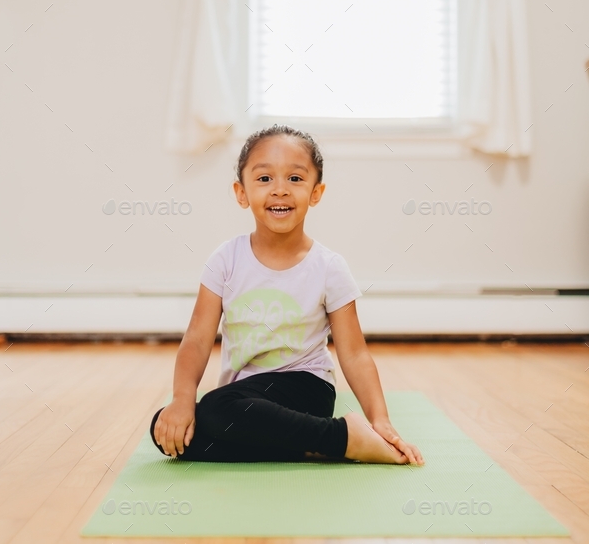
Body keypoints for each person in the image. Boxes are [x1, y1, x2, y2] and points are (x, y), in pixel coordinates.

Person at [151, 124, 425, 466]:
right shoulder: (225, 259)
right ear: (241, 192)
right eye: (264, 179)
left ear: (316, 192)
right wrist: (180, 399)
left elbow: (354, 354)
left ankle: (342, 436)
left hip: (306, 388)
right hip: (245, 395)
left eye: (295, 179)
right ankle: (323, 444)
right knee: (166, 431)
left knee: (215, 410)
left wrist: (380, 419)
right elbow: (196, 339)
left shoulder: (329, 267)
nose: (280, 190)